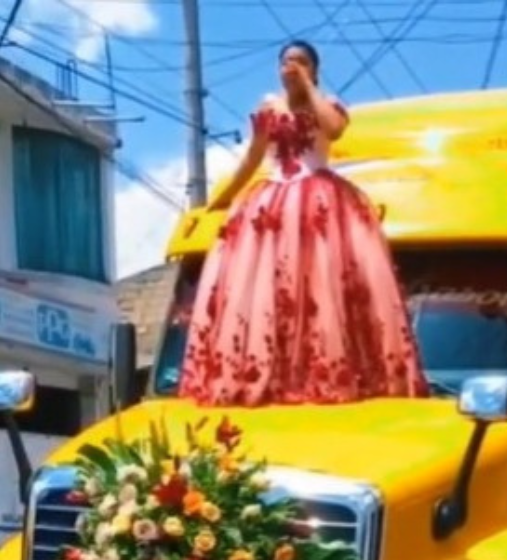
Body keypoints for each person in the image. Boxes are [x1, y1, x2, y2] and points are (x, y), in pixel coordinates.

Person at [177, 40, 429, 407]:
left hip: (321, 199)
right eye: (285, 62)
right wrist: (224, 197)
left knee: (324, 285)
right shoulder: (268, 108)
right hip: (273, 201)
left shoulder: (328, 104)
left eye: (300, 62)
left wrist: (310, 89)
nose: (290, 67)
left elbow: (334, 130)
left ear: (314, 69)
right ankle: (266, 374)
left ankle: (334, 372)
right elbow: (253, 158)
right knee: (266, 288)